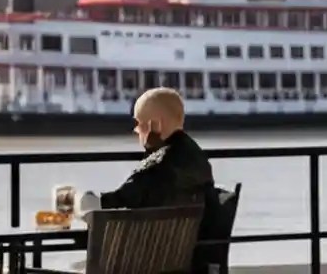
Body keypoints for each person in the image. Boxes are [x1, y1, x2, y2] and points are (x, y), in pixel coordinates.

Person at [77, 87, 223, 274]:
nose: (136, 131)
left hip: (141, 266)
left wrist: (79, 200)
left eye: (139, 125)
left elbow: (111, 205)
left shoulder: (155, 168)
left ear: (156, 125)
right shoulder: (199, 160)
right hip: (186, 265)